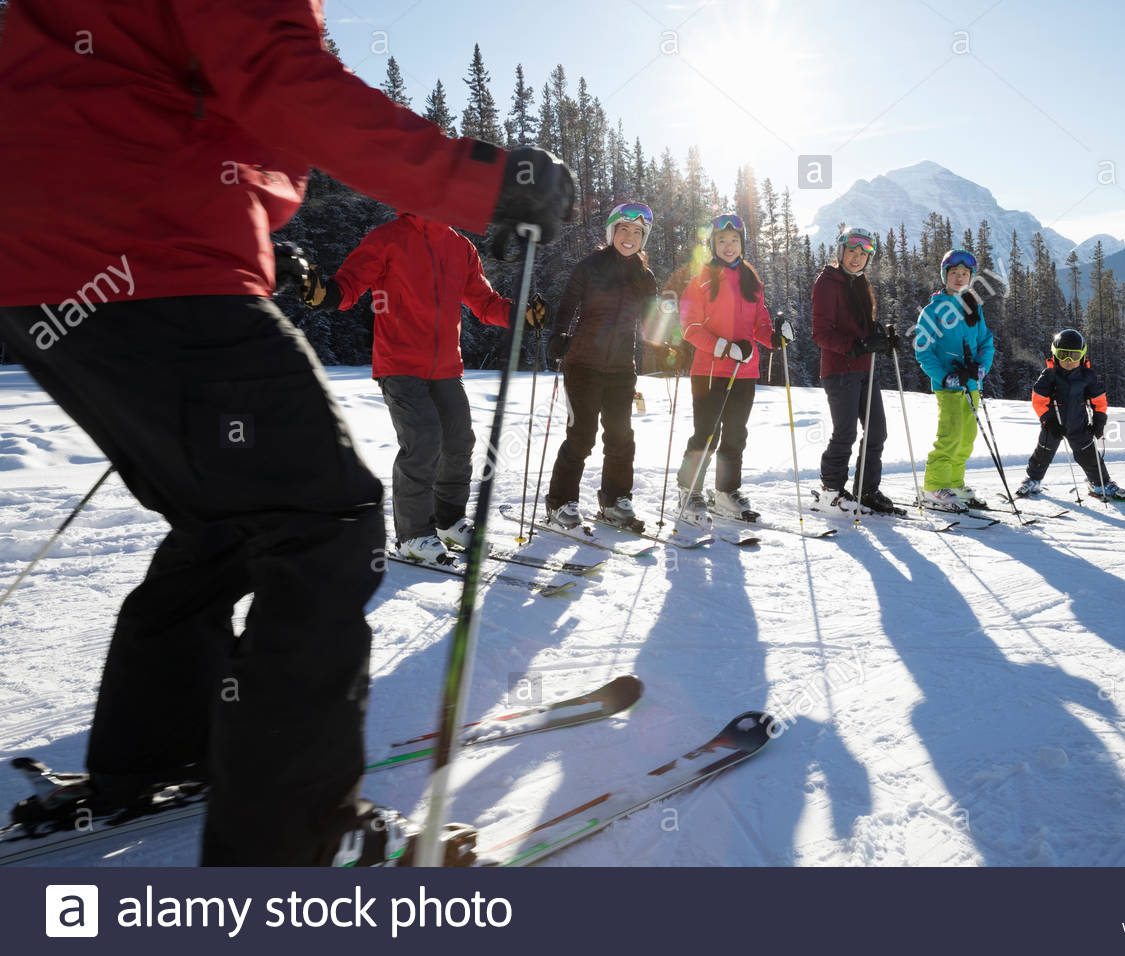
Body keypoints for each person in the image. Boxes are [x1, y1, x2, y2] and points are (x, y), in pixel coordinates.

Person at [0, 0, 572, 866]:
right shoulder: (394, 231)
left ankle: (153, 755)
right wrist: (481, 180)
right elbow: (277, 80)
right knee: (326, 522)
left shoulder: (453, 249)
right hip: (143, 256)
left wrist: (264, 233)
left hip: (61, 259)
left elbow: (181, 97)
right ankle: (298, 841)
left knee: (227, 523)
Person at [300, 214, 546, 566]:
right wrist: (325, 293)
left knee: (459, 440)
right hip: (399, 364)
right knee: (424, 439)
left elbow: (484, 301)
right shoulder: (388, 238)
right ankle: (413, 535)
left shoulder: (460, 246)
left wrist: (520, 315)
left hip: (445, 365)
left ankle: (448, 521)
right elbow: (350, 285)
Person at [544, 202, 659, 533]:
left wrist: (666, 346)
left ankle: (614, 500)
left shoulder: (644, 276)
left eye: (638, 232)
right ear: (611, 232)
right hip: (582, 364)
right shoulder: (590, 267)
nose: (630, 236)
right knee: (581, 436)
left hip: (622, 367)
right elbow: (567, 305)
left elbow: (651, 322)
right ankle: (560, 502)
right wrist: (559, 335)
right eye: (623, 229)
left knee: (621, 436)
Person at [674, 214, 784, 524]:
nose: (728, 246)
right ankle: (689, 490)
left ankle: (725, 491)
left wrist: (774, 338)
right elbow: (689, 327)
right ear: (712, 244)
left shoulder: (752, 278)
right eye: (721, 241)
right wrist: (724, 347)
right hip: (709, 370)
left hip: (745, 371)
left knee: (736, 435)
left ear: (743, 244)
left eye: (734, 240)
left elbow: (760, 321)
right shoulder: (702, 278)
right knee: (706, 434)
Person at [811, 226, 898, 514]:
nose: (856, 258)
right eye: (852, 251)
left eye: (863, 254)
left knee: (877, 431)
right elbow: (821, 334)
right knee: (845, 432)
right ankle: (830, 491)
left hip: (864, 369)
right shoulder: (827, 283)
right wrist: (859, 345)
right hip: (839, 370)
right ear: (841, 252)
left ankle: (866, 490)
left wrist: (880, 340)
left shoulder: (860, 283)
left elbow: (862, 328)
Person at [913, 249, 996, 512]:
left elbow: (986, 342)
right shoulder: (932, 311)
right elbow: (923, 350)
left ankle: (955, 483)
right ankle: (935, 487)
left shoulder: (973, 306)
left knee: (967, 437)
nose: (959, 278)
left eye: (964, 274)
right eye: (954, 273)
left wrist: (981, 369)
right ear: (944, 276)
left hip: (971, 384)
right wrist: (945, 376)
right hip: (949, 386)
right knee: (950, 435)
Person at [1016, 329, 1125, 501]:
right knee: (1043, 451)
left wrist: (1099, 419)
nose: (1069, 361)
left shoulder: (1088, 376)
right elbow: (1038, 399)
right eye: (1064, 355)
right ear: (1055, 355)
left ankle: (1100, 484)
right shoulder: (1049, 376)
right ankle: (1033, 480)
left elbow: (1099, 399)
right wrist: (1048, 420)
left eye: (1074, 356)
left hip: (1079, 424)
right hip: (1054, 423)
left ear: (1082, 356)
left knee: (1089, 454)